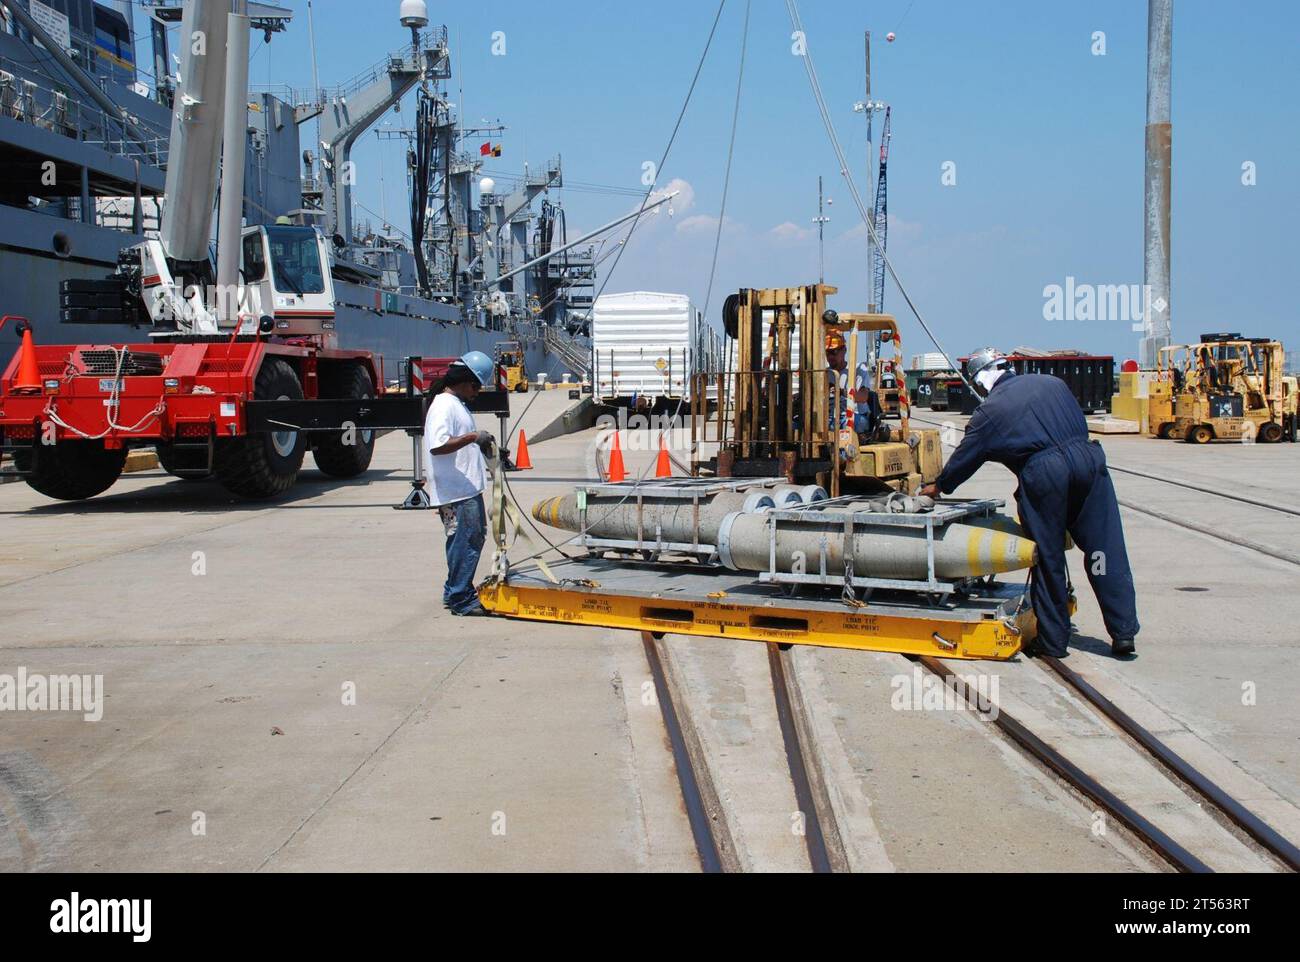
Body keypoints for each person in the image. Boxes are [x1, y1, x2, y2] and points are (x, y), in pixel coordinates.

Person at [918, 348, 1139, 659]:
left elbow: (966, 458)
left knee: (1047, 557)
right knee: (1105, 549)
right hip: (1089, 463)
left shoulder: (990, 412)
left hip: (1046, 474)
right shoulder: (1052, 383)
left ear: (981, 382)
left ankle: (1054, 641)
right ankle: (1123, 631)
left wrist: (938, 486)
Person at [424, 351, 497, 617]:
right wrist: (473, 436)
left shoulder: (455, 404)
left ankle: (453, 590)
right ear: (465, 381)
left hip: (463, 488)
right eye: (477, 386)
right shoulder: (444, 405)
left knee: (464, 539)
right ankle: (461, 598)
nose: (477, 392)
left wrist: (481, 445)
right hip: (457, 491)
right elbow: (438, 445)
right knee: (467, 540)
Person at [825, 333, 883, 438]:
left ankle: (844, 451)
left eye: (834, 352)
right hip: (830, 417)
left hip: (855, 416)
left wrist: (842, 392)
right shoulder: (824, 373)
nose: (830, 357)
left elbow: (863, 397)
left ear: (844, 350)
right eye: (827, 353)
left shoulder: (858, 370)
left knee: (843, 423)